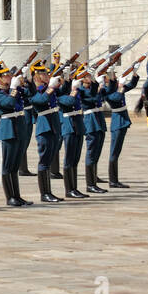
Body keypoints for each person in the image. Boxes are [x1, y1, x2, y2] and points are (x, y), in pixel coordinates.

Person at [0, 62, 33, 207]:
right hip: (8, 129)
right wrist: (15, 88)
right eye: (5, 75)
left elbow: (32, 94)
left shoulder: (16, 89)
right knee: (8, 165)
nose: (9, 77)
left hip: (20, 127)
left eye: (9, 75)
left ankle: (17, 196)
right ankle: (10, 197)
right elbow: (8, 103)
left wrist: (28, 79)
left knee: (15, 165)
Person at [30, 62, 63, 203]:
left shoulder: (47, 88)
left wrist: (65, 79)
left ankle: (49, 192)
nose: (46, 75)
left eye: (46, 73)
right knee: (44, 161)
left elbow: (64, 91)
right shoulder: (33, 90)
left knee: (49, 160)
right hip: (44, 127)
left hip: (54, 125)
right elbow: (41, 100)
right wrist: (50, 87)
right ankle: (44, 193)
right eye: (43, 74)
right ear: (36, 76)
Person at [102, 63, 139, 188]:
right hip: (117, 122)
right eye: (112, 76)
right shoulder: (107, 92)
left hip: (123, 121)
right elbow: (117, 98)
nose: (115, 78)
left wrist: (134, 72)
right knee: (114, 152)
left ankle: (115, 180)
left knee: (117, 152)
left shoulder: (116, 88)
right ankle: (113, 180)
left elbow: (132, 85)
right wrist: (121, 87)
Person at [57, 66, 90, 199]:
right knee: (69, 159)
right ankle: (69, 189)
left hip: (78, 125)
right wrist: (73, 89)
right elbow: (69, 101)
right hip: (69, 126)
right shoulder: (59, 95)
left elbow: (91, 93)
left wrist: (91, 80)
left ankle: (74, 188)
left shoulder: (76, 91)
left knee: (75, 159)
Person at [81, 63, 111, 194]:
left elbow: (108, 92)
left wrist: (111, 78)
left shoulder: (93, 87)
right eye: (87, 76)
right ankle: (90, 184)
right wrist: (97, 87)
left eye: (89, 75)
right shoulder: (82, 90)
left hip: (98, 120)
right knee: (91, 152)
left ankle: (94, 179)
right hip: (90, 121)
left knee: (97, 152)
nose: (89, 77)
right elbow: (93, 98)